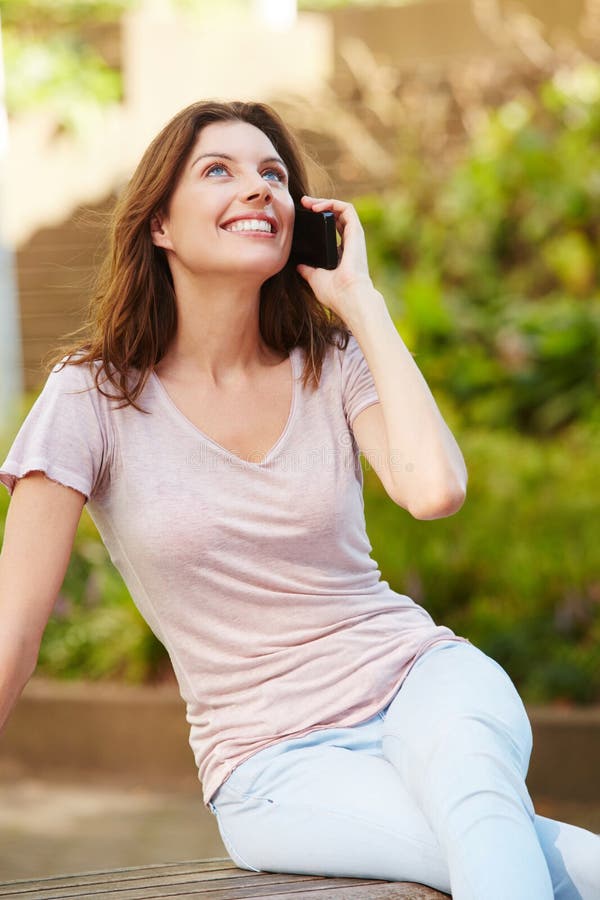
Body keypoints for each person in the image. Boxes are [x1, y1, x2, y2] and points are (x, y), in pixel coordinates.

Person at [0, 100, 598, 900]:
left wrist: (362, 300)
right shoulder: (92, 396)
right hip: (271, 761)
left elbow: (435, 489)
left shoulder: (332, 363)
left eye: (274, 174)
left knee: (483, 817)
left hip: (422, 680)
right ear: (159, 224)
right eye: (219, 170)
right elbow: (14, 634)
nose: (258, 188)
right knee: (509, 848)